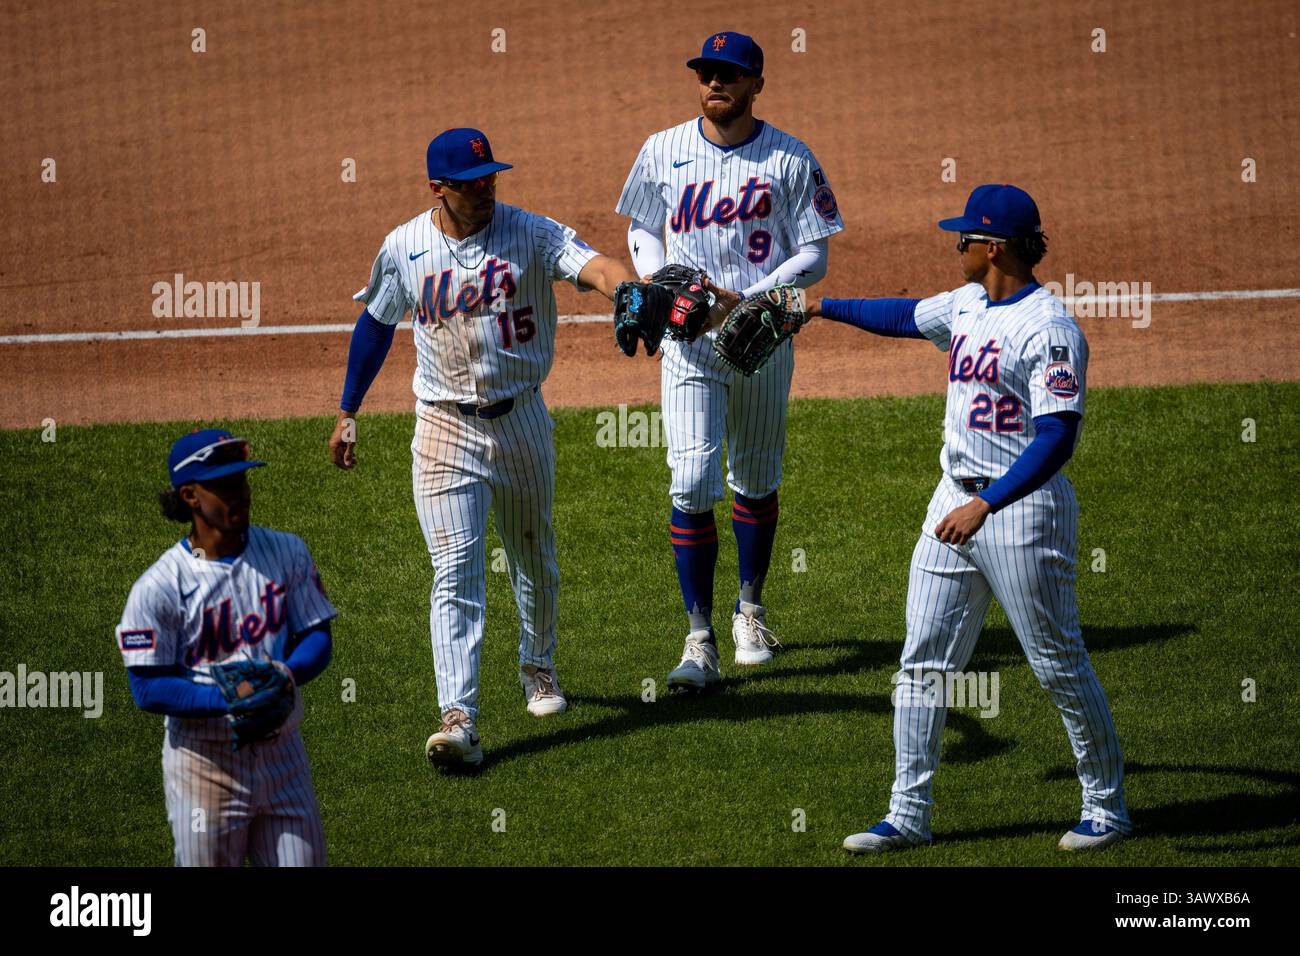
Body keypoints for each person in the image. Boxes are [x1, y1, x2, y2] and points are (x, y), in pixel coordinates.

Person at [809, 184, 1132, 853]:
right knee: (922, 662)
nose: (955, 246)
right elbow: (902, 316)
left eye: (964, 237)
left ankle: (1106, 807)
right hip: (951, 500)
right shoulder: (966, 302)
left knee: (1056, 662)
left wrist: (987, 505)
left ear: (995, 247)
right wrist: (818, 307)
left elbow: (1057, 437)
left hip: (1020, 512)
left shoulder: (1048, 328)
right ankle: (907, 815)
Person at [330, 127, 637, 768]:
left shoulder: (530, 231)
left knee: (532, 554)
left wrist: (627, 291)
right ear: (438, 188)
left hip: (522, 418)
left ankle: (539, 666)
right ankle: (458, 716)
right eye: (472, 184)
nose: (486, 190)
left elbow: (596, 265)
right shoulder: (404, 247)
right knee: (456, 570)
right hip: (443, 427)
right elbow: (376, 323)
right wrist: (348, 410)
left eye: (491, 177)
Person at [614, 31, 844, 691]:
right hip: (689, 344)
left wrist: (748, 297)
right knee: (689, 482)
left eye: (730, 74)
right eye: (707, 73)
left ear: (756, 84)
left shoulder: (791, 158)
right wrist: (665, 283)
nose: (715, 82)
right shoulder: (663, 149)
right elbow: (640, 227)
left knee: (757, 477)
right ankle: (698, 637)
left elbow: (815, 253)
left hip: (761, 337)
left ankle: (750, 610)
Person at [116, 428, 337, 866]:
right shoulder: (159, 587)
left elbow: (316, 634)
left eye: (243, 481)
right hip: (205, 767)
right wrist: (228, 699)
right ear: (191, 496)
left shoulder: (286, 551)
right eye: (225, 486)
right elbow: (147, 687)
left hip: (283, 756)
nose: (241, 493)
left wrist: (286, 675)